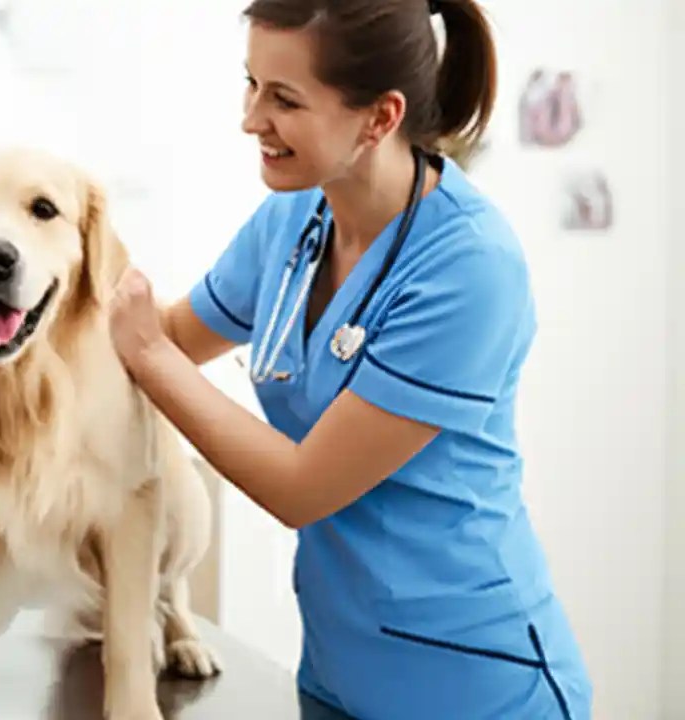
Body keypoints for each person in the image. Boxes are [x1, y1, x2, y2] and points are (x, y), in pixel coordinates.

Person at [108, 1, 592, 718]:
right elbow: (171, 336)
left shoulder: (469, 267)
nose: (250, 119)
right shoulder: (292, 219)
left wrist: (149, 353)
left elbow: (300, 487)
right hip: (338, 667)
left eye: (284, 99)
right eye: (251, 84)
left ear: (380, 117)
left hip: (473, 681)